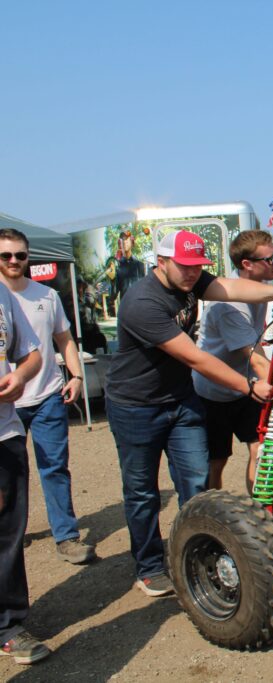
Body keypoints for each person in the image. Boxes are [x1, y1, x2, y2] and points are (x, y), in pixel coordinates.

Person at [105, 230, 273, 597]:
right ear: (161, 262)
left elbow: (233, 288)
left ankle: (199, 550)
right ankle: (150, 566)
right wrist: (247, 386)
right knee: (142, 491)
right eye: (185, 266)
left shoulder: (192, 282)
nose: (192, 274)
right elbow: (195, 357)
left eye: (198, 267)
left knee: (197, 482)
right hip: (136, 406)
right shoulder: (143, 302)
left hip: (180, 400)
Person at [0, 230, 96, 565]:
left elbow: (65, 340)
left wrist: (77, 376)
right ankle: (12, 530)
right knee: (9, 473)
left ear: (29, 257)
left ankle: (66, 536)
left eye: (20, 255)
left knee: (54, 467)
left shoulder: (47, 296)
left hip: (46, 396)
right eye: (6, 256)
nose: (14, 261)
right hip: (5, 404)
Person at [194, 230, 273, 491]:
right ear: (247, 265)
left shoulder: (257, 292)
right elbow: (256, 360)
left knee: (259, 448)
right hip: (215, 391)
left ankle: (261, 511)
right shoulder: (230, 306)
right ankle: (212, 514)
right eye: (270, 259)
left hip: (243, 387)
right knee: (218, 459)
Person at [0, 278, 46, 664]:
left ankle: (9, 624)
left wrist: (20, 376)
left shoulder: (3, 295)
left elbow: (31, 354)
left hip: (5, 432)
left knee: (8, 533)